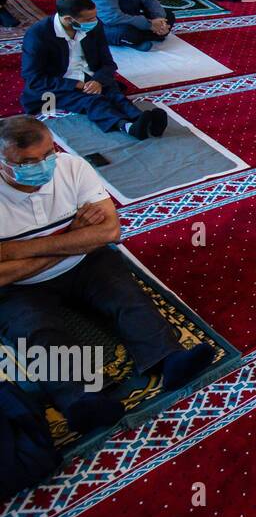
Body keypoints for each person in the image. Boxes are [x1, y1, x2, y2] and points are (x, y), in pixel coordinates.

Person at [0, 117, 215, 434]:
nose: (44, 166)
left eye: (48, 154)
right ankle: (79, 399)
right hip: (21, 286)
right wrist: (74, 236)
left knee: (124, 294)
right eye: (28, 162)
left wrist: (18, 250)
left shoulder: (71, 167)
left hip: (83, 263)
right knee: (36, 330)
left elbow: (110, 231)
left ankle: (169, 359)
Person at [20, 0, 166, 139]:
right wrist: (76, 84)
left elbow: (108, 63)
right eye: (89, 19)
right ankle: (127, 127)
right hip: (59, 85)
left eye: (94, 16)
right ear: (68, 19)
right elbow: (33, 78)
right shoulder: (38, 35)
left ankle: (143, 120)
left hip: (90, 76)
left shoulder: (94, 26)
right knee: (93, 101)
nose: (94, 21)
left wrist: (98, 80)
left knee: (114, 94)